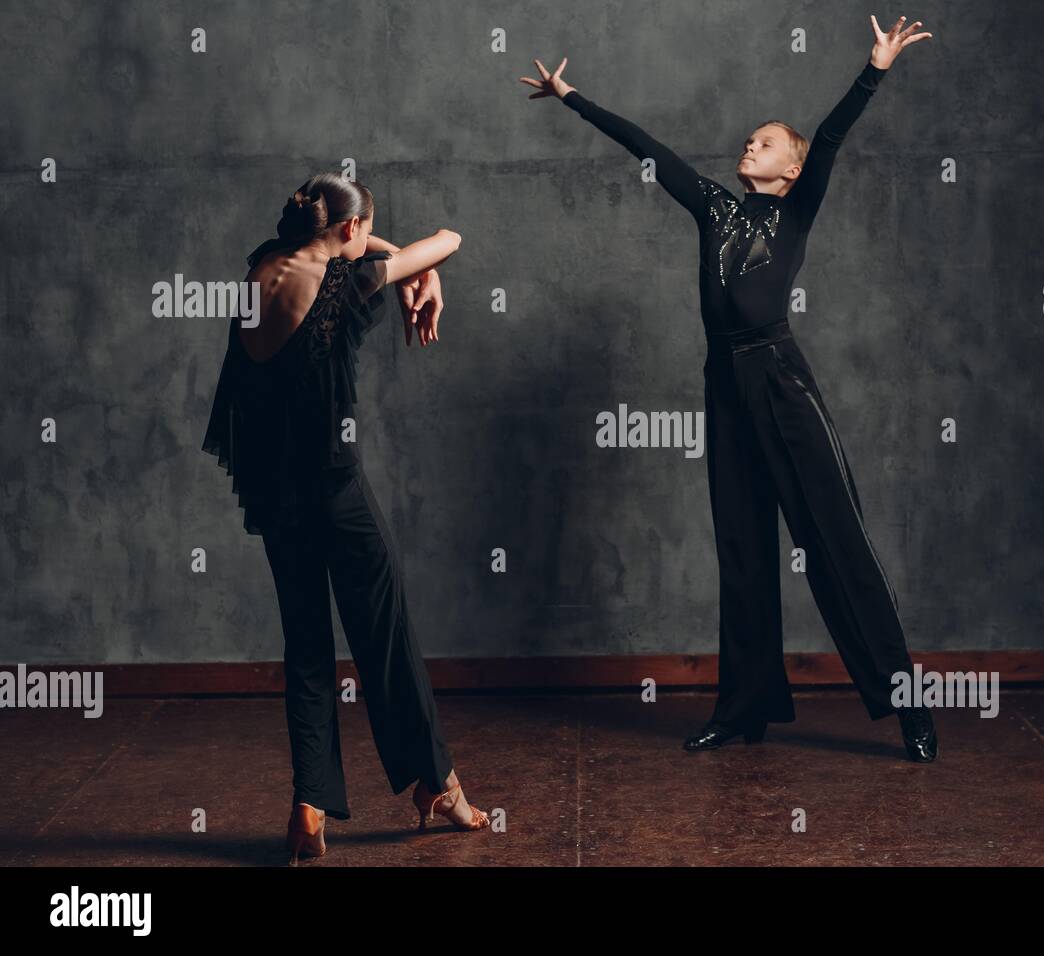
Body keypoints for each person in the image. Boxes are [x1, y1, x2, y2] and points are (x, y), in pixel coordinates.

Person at [522, 15, 939, 760]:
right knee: (742, 550)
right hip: (727, 386)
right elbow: (649, 148)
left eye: (767, 141)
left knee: (834, 540)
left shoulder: (798, 207)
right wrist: (570, 96)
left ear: (790, 169)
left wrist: (873, 71)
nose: (753, 143)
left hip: (782, 380)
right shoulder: (714, 206)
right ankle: (745, 707)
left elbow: (833, 135)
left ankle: (905, 702)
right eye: (751, 138)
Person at [201, 172, 490, 865]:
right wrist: (424, 277)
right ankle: (438, 786)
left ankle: (308, 807)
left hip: (274, 494)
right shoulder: (347, 285)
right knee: (385, 632)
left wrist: (372, 249)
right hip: (334, 488)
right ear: (353, 232)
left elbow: (346, 246)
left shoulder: (260, 267)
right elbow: (448, 240)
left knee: (306, 645)